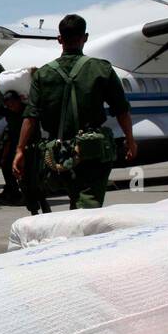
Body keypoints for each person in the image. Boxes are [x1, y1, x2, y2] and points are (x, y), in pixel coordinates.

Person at [14, 14, 136, 210]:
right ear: (85, 37)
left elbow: (31, 117)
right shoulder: (101, 69)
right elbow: (121, 110)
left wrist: (19, 150)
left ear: (59, 39)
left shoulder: (43, 74)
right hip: (93, 151)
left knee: (76, 200)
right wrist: (130, 139)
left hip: (58, 154)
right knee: (88, 204)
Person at [0, 90, 26, 205]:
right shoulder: (8, 112)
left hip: (26, 146)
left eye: (12, 104)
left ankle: (24, 195)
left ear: (19, 100)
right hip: (13, 146)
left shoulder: (27, 110)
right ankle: (15, 192)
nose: (11, 107)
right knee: (8, 169)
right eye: (8, 105)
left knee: (24, 171)